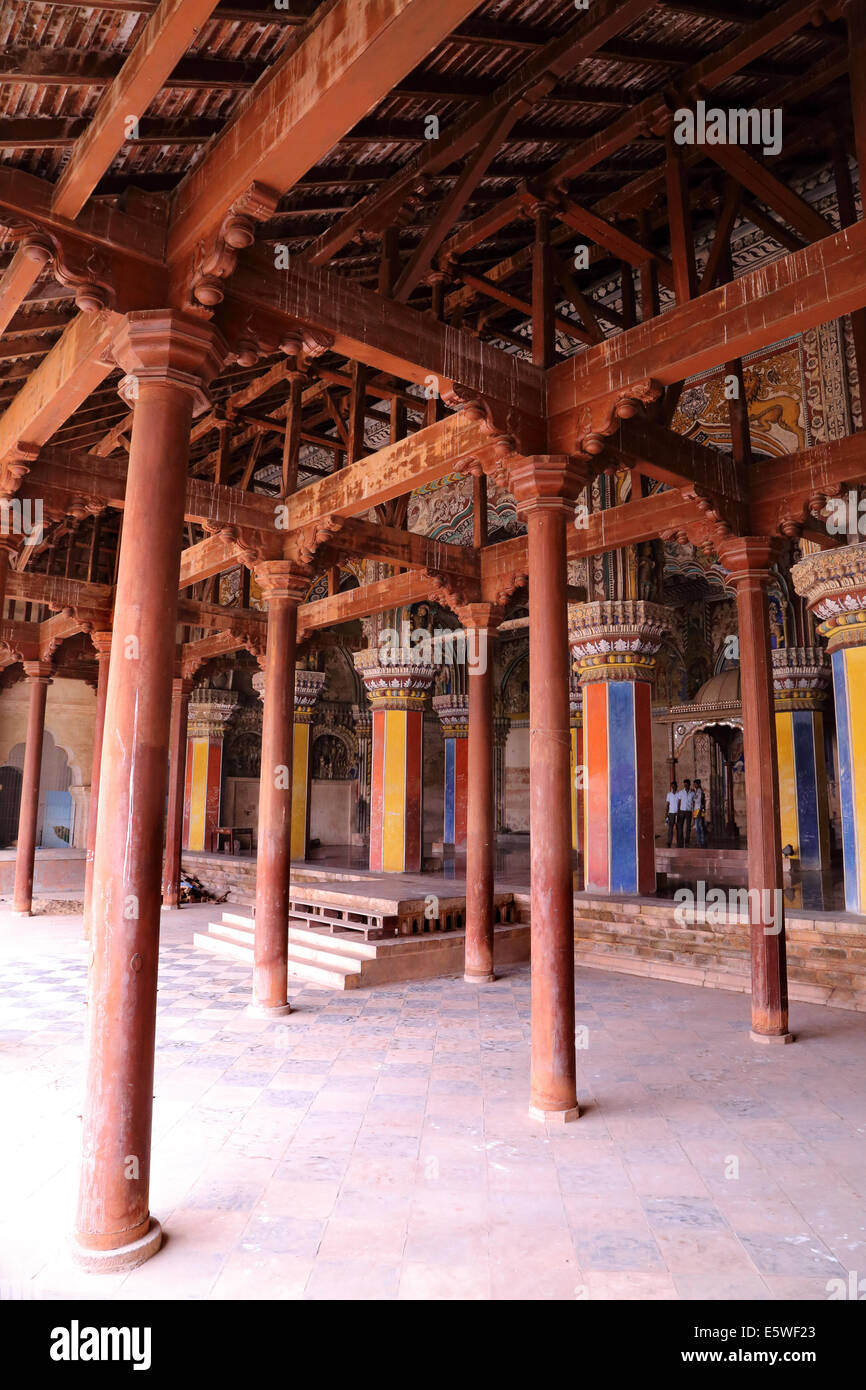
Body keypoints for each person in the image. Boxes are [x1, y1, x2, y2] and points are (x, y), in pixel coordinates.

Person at [665, 781, 680, 847]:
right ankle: (669, 842)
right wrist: (666, 813)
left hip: (677, 813)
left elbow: (680, 803)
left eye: (675, 786)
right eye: (672, 786)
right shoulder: (669, 794)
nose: (673, 787)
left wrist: (678, 812)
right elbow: (667, 804)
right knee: (670, 828)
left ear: (677, 786)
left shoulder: (679, 794)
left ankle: (679, 841)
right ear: (671, 787)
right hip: (671, 813)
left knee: (678, 828)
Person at [692, 778, 707, 847]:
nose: (694, 785)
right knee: (697, 825)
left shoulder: (700, 791)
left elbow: (701, 802)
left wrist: (701, 812)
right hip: (696, 810)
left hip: (699, 810)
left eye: (695, 784)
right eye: (694, 784)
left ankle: (700, 842)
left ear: (698, 784)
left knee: (699, 826)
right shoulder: (696, 791)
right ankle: (701, 841)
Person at [680, 778, 694, 846]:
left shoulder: (692, 793)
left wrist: (694, 811)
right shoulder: (681, 792)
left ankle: (687, 840)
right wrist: (678, 811)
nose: (685, 786)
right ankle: (681, 840)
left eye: (687, 785)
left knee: (688, 827)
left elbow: (694, 802)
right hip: (682, 811)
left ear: (689, 785)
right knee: (680, 826)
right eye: (684, 785)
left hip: (689, 811)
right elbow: (679, 802)